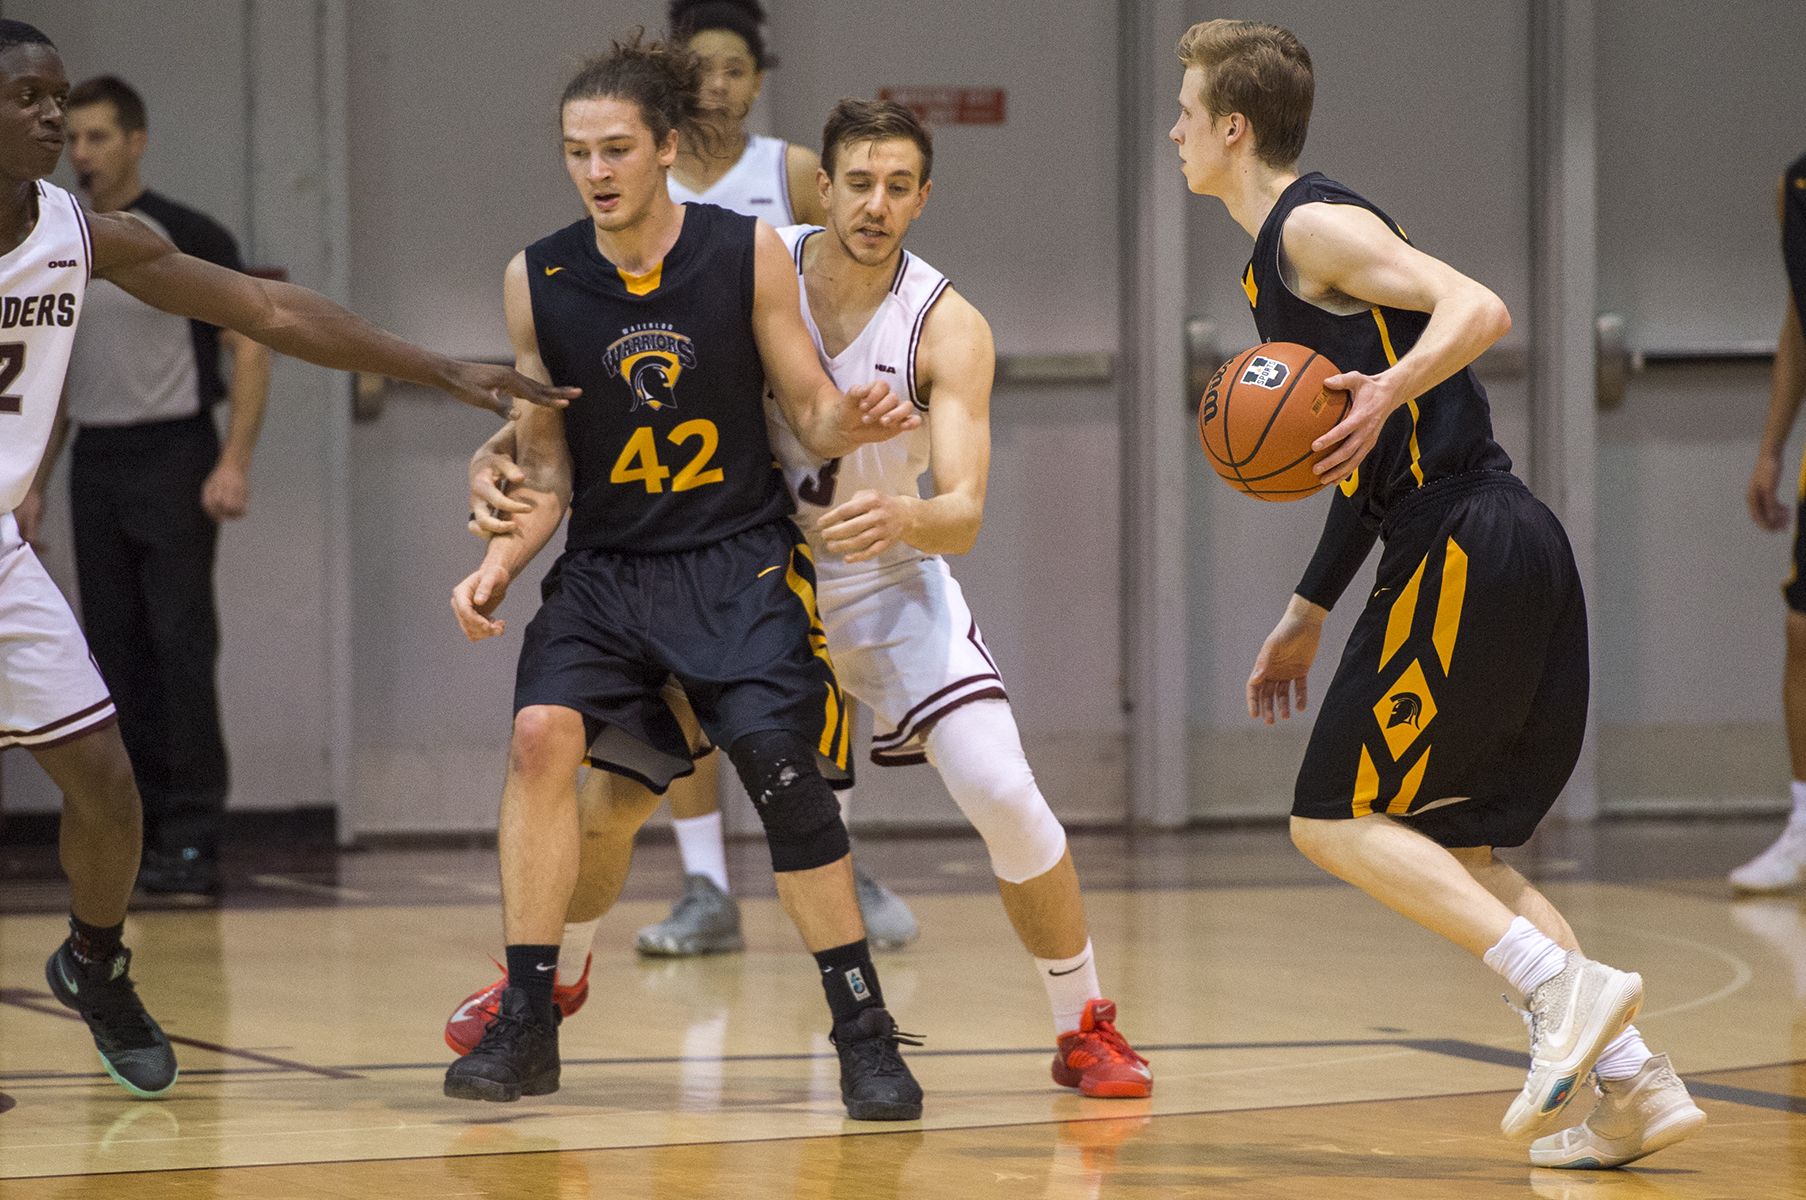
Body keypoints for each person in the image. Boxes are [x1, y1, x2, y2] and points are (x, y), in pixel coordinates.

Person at [459, 99, 1155, 1099]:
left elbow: (961, 511)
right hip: (732, 573)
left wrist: (908, 520)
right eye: (859, 182)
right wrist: (501, 451)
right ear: (821, 186)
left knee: (1002, 791)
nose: (876, 205)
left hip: (879, 584)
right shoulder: (746, 260)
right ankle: (544, 991)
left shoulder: (948, 326)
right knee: (607, 806)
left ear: (924, 197)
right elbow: (606, 394)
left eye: (899, 186)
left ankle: (1081, 1023)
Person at [0, 18, 572, 1101]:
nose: (50, 122)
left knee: (109, 788)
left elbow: (261, 306)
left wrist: (437, 365)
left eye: (58, 99)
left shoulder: (82, 234)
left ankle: (93, 963)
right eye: (28, 100)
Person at [1173, 20, 1703, 1167]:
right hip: (1485, 537)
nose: (1172, 132)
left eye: (1183, 111)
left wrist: (1392, 387)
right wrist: (1309, 609)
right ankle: (1638, 1089)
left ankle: (1564, 987)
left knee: (1332, 821)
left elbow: (1481, 307)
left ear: (1232, 126)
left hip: (1463, 538)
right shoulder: (1285, 261)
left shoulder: (1311, 225)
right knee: (1457, 854)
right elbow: (1366, 457)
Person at [441, 37, 925, 1121]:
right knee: (539, 742)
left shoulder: (744, 252)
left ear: (666, 149)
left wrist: (859, 414)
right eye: (577, 153)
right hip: (609, 575)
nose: (596, 170)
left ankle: (864, 1033)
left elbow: (807, 409)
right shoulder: (540, 278)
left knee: (781, 776)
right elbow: (548, 467)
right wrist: (501, 560)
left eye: (617, 148)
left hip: (734, 563)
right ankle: (527, 1022)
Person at [636, 0, 920, 960]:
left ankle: (834, 851)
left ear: (758, 79)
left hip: (789, 446)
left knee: (807, 665)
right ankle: (705, 882)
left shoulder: (793, 171)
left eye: (732, 68)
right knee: (680, 676)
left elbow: (845, 289)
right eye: (699, 67)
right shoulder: (646, 170)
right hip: (686, 448)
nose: (715, 84)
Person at [16, 75, 271, 901]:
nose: (80, 150)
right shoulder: (48, 238)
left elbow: (252, 345)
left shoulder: (178, 233)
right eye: (74, 138)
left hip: (173, 455)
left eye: (96, 136)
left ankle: (194, 836)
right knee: (111, 653)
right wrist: (34, 485)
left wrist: (232, 461)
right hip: (97, 458)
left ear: (136, 140)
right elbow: (45, 380)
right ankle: (145, 827)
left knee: (179, 644)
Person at [1732, 150, 1806, 893]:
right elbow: (1798, 325)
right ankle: (1804, 826)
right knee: (1801, 630)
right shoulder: (1793, 186)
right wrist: (1770, 450)